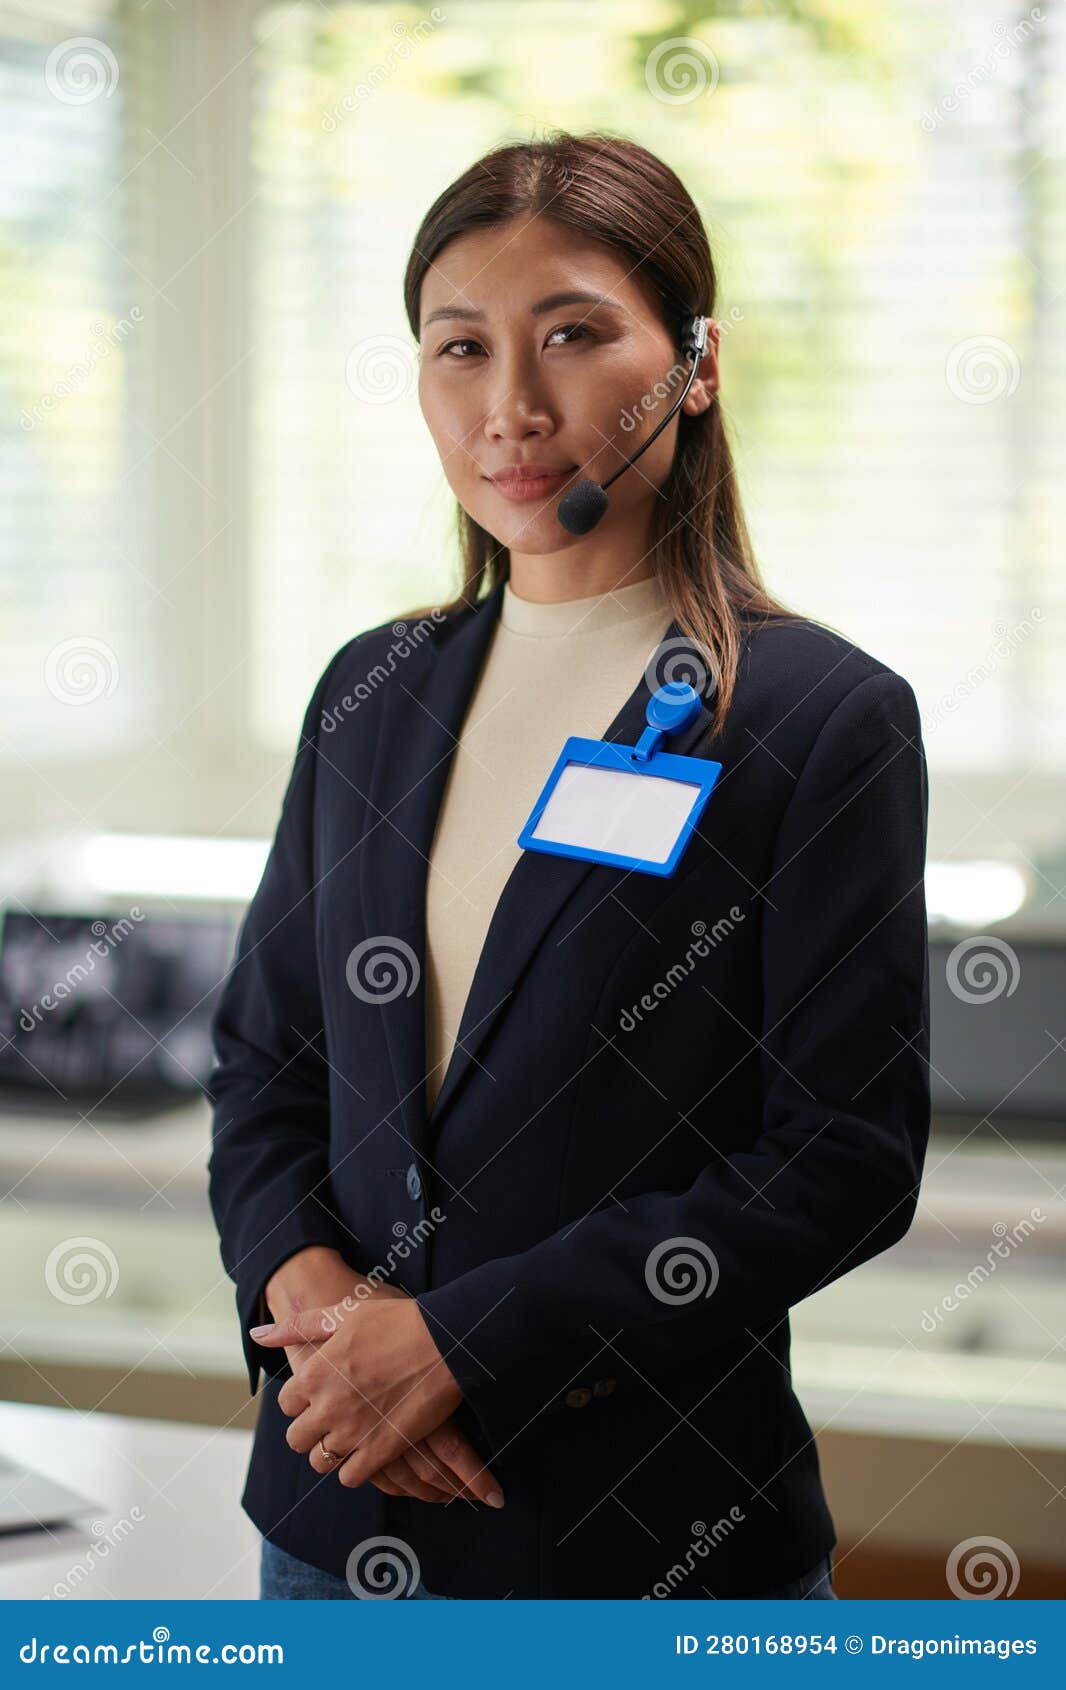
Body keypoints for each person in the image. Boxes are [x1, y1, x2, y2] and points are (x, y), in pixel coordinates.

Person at [206, 130, 930, 1601]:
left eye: (575, 336)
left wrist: (463, 1344)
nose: (512, 406)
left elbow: (839, 1160)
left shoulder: (811, 717)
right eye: (458, 348)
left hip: (648, 1539)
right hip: (336, 1514)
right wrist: (324, 1307)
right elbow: (264, 1061)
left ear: (694, 362)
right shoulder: (373, 690)